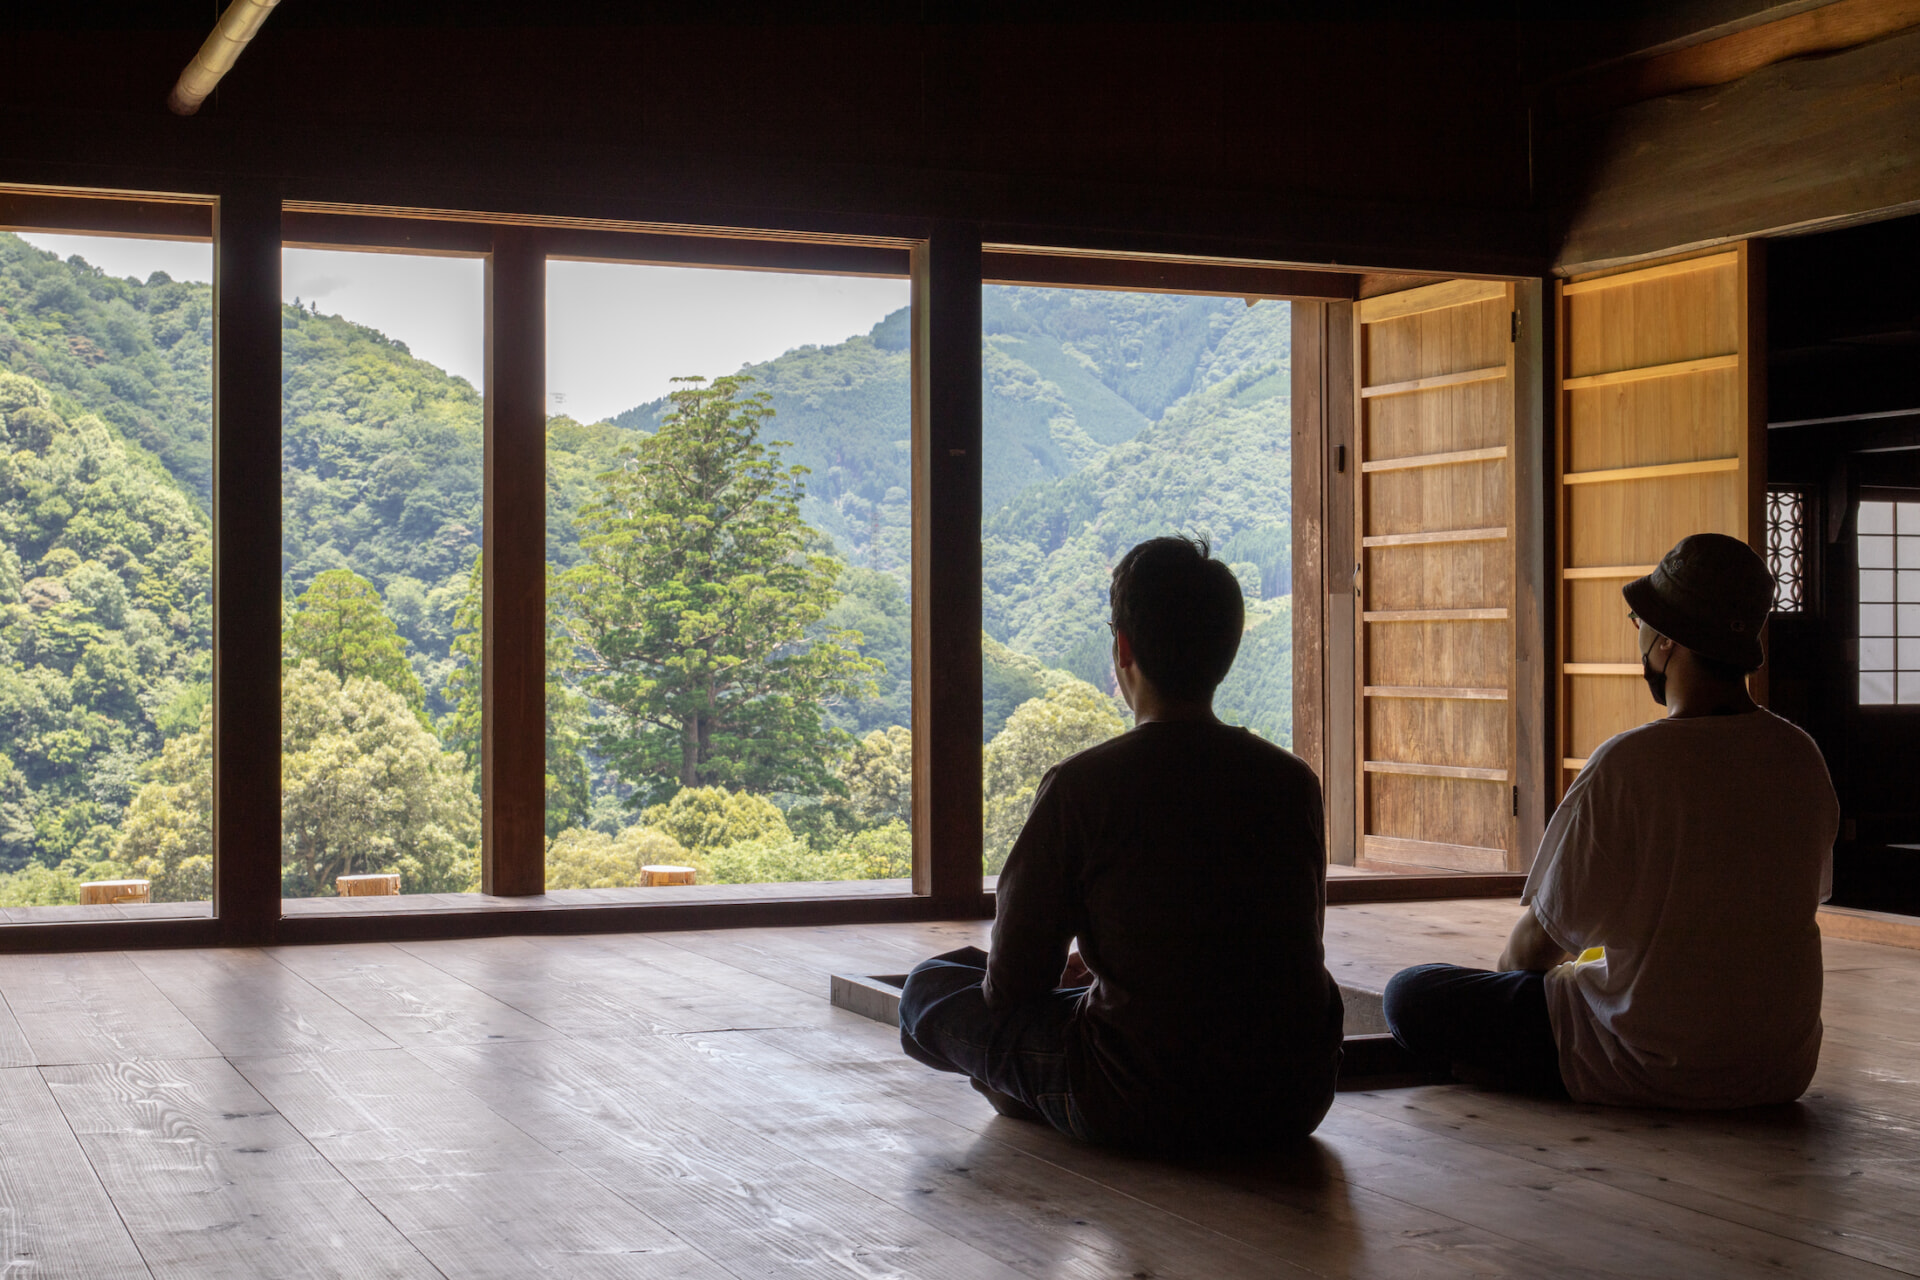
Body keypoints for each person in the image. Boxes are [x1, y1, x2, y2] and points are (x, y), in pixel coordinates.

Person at [898, 536, 1343, 1152]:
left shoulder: (1083, 786)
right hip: (1290, 1099)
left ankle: (1043, 1094)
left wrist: (1082, 973)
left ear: (1123, 648)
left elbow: (1012, 987)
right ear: (1227, 650)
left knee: (929, 987)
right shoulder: (1291, 782)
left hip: (1139, 1098)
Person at [1384, 533, 1840, 1107]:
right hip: (1775, 1070)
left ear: (1668, 642)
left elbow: (1530, 955)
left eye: (1641, 622)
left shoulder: (1628, 764)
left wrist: (1508, 995)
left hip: (1639, 1063)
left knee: (1410, 994)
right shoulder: (1800, 756)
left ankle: (1504, 1069)